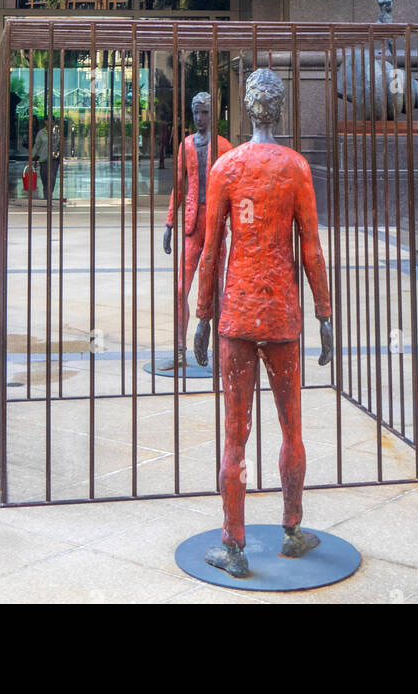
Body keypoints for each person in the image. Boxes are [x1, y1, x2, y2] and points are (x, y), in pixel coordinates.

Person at [194, 67, 333, 578]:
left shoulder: (226, 167)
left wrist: (203, 316)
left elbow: (212, 251)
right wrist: (324, 312)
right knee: (291, 427)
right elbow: (312, 249)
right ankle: (292, 529)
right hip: (281, 315)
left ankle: (234, 545)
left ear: (249, 108)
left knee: (235, 435)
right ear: (279, 108)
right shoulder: (295, 167)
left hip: (236, 311)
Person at [163, 92, 231, 365]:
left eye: (204, 113)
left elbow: (232, 190)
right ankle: (180, 349)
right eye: (196, 113)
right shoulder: (186, 145)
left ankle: (219, 350)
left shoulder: (225, 147)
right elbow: (179, 185)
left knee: (216, 288)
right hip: (193, 223)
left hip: (215, 225)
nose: (200, 118)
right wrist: (170, 221)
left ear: (212, 114)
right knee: (181, 288)